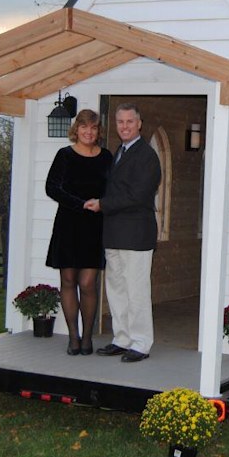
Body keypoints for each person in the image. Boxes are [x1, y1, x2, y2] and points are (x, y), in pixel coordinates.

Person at [83, 103, 161, 363]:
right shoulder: (119, 151)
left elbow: (138, 196)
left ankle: (141, 343)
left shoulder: (147, 156)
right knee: (116, 289)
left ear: (139, 124)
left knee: (136, 291)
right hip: (114, 233)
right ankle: (122, 338)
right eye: (120, 122)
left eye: (129, 121)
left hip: (136, 236)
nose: (125, 126)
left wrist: (102, 204)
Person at [45, 109, 113, 356]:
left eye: (93, 127)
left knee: (87, 283)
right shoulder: (64, 155)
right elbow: (51, 188)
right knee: (68, 280)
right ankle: (73, 337)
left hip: (95, 226)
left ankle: (87, 337)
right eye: (84, 127)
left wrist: (102, 204)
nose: (89, 132)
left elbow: (113, 189)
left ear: (98, 131)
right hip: (68, 225)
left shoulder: (106, 157)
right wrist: (80, 204)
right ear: (77, 129)